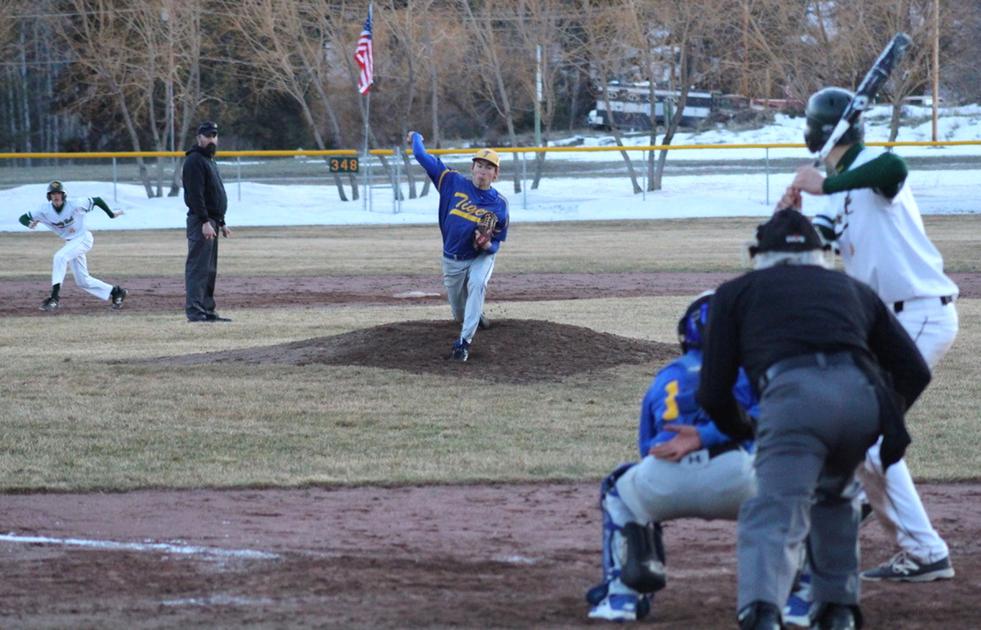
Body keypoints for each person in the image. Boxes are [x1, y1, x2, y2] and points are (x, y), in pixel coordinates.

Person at [696, 209, 932, 630]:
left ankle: (762, 613)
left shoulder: (736, 292)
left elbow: (713, 391)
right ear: (820, 253)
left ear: (757, 254)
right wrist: (884, 416)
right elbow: (915, 369)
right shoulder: (852, 288)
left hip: (793, 397)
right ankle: (838, 610)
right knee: (835, 498)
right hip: (862, 395)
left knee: (775, 510)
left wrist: (743, 430)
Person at [785, 86, 958, 584]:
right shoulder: (837, 187)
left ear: (815, 129)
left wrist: (824, 185)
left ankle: (923, 550)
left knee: (872, 442)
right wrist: (791, 212)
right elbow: (812, 244)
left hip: (920, 314)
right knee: (860, 437)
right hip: (888, 326)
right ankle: (870, 504)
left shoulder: (873, 168)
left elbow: (893, 170)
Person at [586, 293, 759, 622]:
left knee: (617, 489)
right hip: (738, 480)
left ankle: (623, 596)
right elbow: (768, 426)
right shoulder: (749, 370)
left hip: (664, 477)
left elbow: (647, 445)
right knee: (799, 491)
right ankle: (796, 595)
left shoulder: (667, 374)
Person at [406, 131, 509, 361]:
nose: (483, 170)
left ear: (495, 174)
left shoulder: (500, 205)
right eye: (479, 165)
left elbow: (497, 244)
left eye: (489, 167)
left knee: (478, 283)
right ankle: (475, 316)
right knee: (459, 314)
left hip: (479, 258)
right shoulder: (451, 181)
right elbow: (422, 157)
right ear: (472, 168)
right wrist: (417, 138)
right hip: (452, 259)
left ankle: (463, 343)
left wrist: (487, 245)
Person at [18, 180, 128, 311]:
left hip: (83, 238)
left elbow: (97, 200)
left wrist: (111, 214)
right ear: (49, 196)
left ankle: (54, 298)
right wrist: (29, 224)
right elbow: (23, 217)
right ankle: (116, 292)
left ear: (64, 195)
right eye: (53, 193)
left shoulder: (75, 204)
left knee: (59, 257)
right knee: (83, 281)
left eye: (58, 193)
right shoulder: (44, 210)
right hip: (71, 243)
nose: (56, 195)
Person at [183, 120, 231, 323]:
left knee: (209, 270)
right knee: (198, 268)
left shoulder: (209, 159)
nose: (212, 139)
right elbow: (195, 195)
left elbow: (213, 194)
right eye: (208, 135)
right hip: (201, 222)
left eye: (214, 135)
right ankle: (195, 312)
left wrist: (221, 221)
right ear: (199, 138)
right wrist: (204, 221)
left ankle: (207, 310)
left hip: (212, 221)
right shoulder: (195, 160)